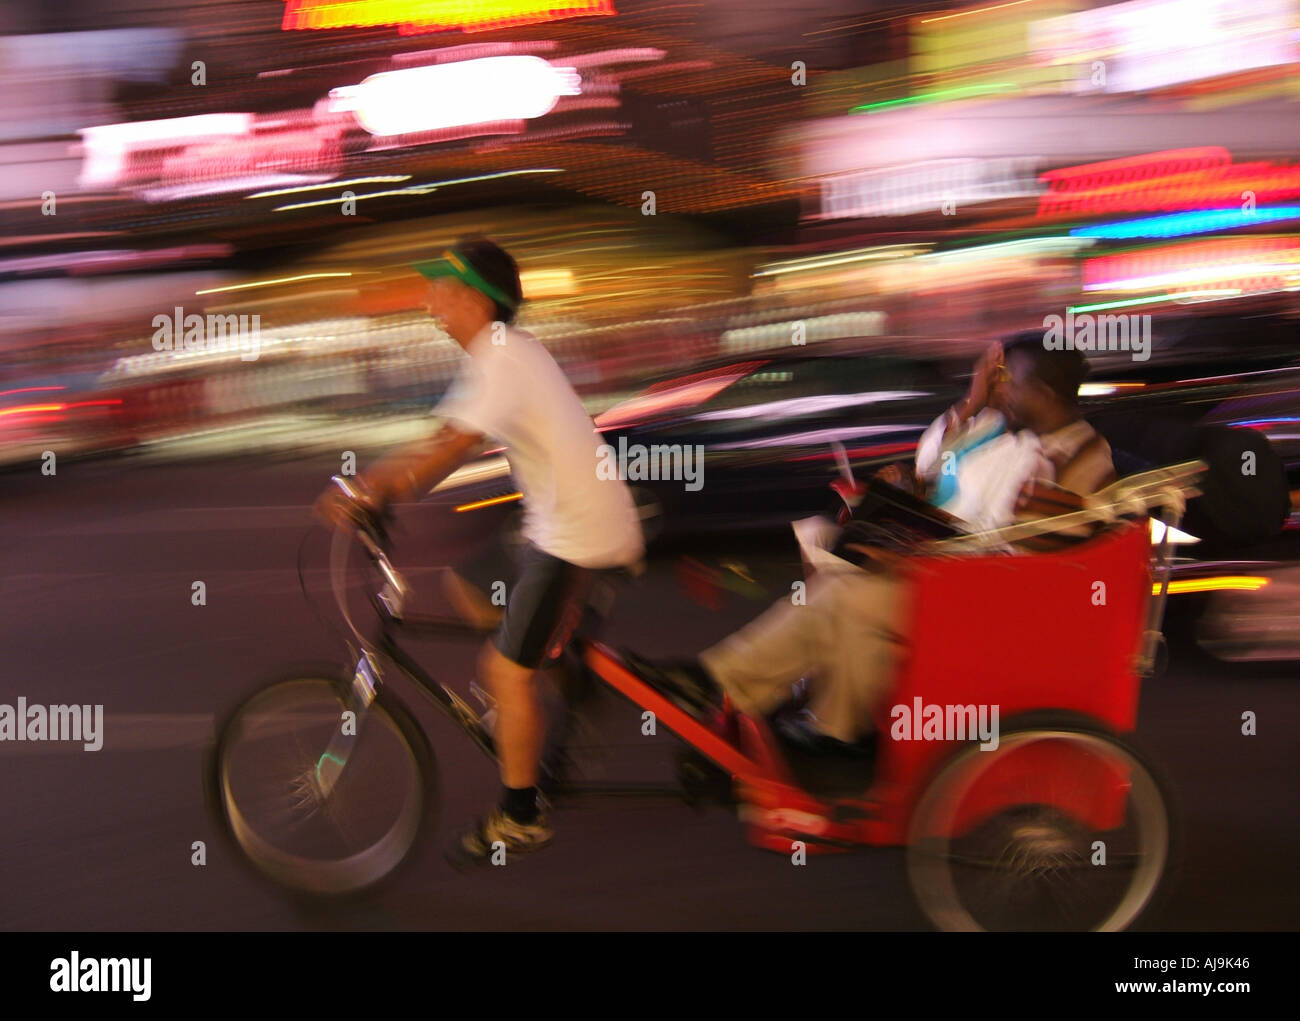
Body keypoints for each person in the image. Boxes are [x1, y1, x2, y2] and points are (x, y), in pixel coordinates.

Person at [315, 238, 644, 865]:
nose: (430, 304)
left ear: (478, 300)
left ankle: (521, 818)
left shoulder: (502, 356)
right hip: (553, 523)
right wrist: (372, 485)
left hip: (580, 535)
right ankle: (569, 681)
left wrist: (374, 490)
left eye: (443, 292)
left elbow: (449, 451)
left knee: (504, 672)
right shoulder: (500, 353)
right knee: (468, 587)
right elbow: (441, 435)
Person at [648, 335, 1116, 749]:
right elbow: (958, 496)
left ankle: (723, 684)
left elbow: (1017, 572)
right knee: (841, 570)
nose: (1001, 390)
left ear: (1042, 392)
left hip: (986, 606)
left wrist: (915, 560)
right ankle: (830, 728)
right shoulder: (1025, 439)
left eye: (1009, 381)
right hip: (964, 578)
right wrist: (913, 531)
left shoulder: (1066, 461)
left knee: (847, 592)